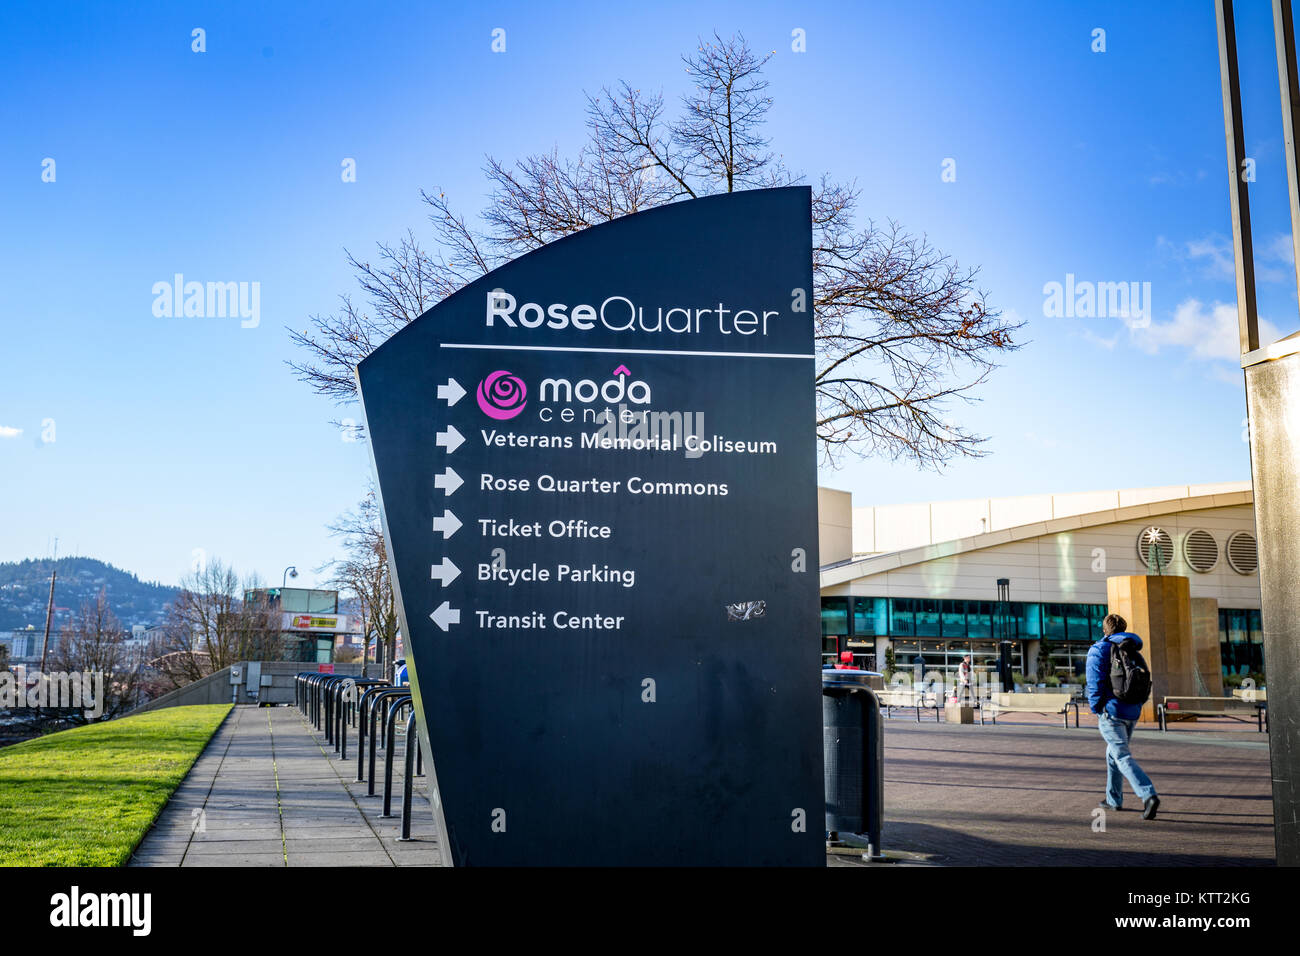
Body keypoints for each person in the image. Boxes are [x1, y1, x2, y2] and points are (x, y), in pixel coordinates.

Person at [1086, 613, 1159, 819]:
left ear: (1104, 630)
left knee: (1121, 756)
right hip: (1132, 710)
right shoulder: (1132, 648)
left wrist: (1097, 708)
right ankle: (1113, 799)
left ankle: (1148, 795)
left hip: (1112, 711)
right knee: (1113, 754)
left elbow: (1094, 684)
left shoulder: (1099, 649)